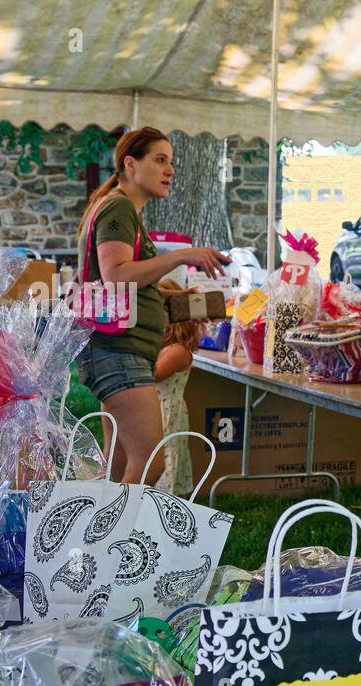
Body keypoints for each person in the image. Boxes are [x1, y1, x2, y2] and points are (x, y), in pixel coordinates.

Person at [73, 127, 230, 485]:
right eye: (160, 160)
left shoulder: (121, 208)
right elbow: (117, 275)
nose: (170, 170)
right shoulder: (118, 206)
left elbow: (131, 285)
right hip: (118, 352)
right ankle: (114, 539)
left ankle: (95, 538)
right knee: (150, 463)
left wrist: (180, 305)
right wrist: (182, 255)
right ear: (130, 164)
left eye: (171, 162)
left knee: (119, 467)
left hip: (118, 351)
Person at [154, 314, 206, 496]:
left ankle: (163, 496)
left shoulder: (177, 351)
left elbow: (153, 374)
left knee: (165, 451)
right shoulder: (164, 348)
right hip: (156, 407)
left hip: (166, 410)